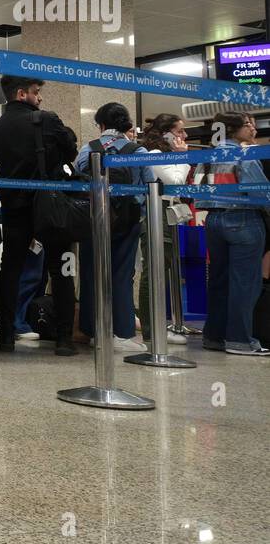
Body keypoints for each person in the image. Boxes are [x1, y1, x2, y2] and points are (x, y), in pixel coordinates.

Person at [0, 75, 78, 356]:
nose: (39, 97)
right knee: (61, 269)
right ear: (20, 94)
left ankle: (6, 336)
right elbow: (70, 151)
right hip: (49, 205)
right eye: (36, 92)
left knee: (11, 269)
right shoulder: (47, 119)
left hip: (14, 205)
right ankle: (64, 338)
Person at [74, 102, 154, 352]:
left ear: (101, 124)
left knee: (89, 274)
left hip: (92, 220)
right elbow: (149, 184)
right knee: (121, 275)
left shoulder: (88, 149)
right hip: (127, 221)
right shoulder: (137, 151)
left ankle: (91, 330)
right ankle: (121, 333)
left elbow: (76, 180)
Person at [199, 112, 270, 355]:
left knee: (218, 280)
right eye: (249, 125)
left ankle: (214, 336)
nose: (253, 129)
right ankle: (240, 340)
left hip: (213, 219)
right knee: (245, 283)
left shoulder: (208, 155)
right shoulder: (244, 154)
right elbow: (260, 191)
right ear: (233, 129)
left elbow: (198, 188)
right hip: (243, 219)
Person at [137, 113, 193, 346]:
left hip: (167, 211)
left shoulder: (167, 155)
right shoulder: (155, 155)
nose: (184, 136)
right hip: (155, 210)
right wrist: (183, 157)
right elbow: (175, 180)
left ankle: (158, 325)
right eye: (180, 131)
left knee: (164, 265)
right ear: (166, 133)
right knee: (155, 269)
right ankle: (152, 329)